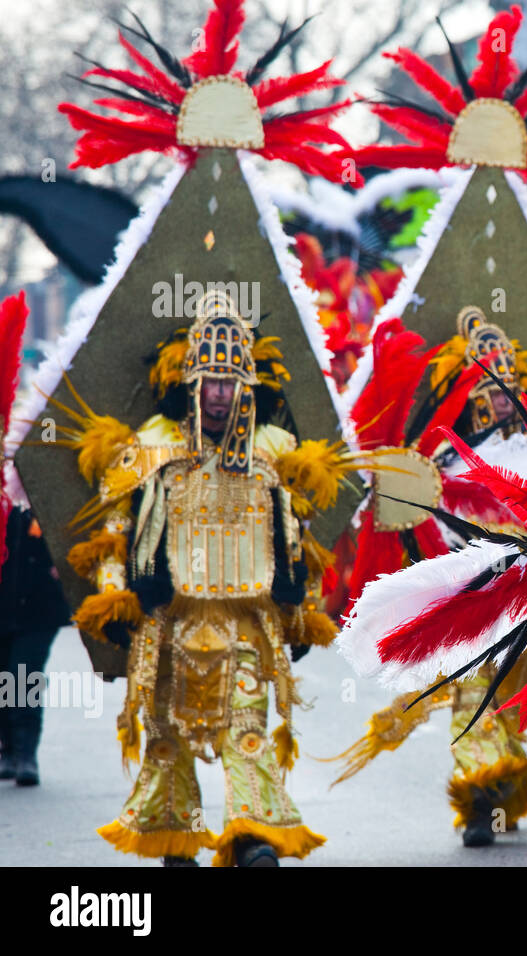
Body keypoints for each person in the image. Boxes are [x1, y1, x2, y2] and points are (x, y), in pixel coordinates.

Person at [63, 290, 351, 867]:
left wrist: (300, 608)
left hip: (247, 621)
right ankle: (177, 837)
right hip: (169, 625)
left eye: (230, 382)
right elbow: (118, 531)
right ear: (192, 384)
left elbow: (299, 538)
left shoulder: (276, 451)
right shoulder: (151, 445)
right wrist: (119, 601)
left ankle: (252, 838)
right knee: (168, 745)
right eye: (210, 381)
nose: (220, 394)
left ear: (246, 386)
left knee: (247, 731)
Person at [332, 308, 527, 848]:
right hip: (471, 599)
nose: (501, 397)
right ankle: (478, 797)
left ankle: (502, 783)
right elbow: (413, 516)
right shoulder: (446, 459)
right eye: (489, 386)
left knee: (513, 703)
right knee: (470, 695)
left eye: (507, 385)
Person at [0, 508, 71, 786]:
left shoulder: (44, 482)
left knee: (24, 675)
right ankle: (8, 748)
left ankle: (26, 752)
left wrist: (67, 565)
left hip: (40, 606)